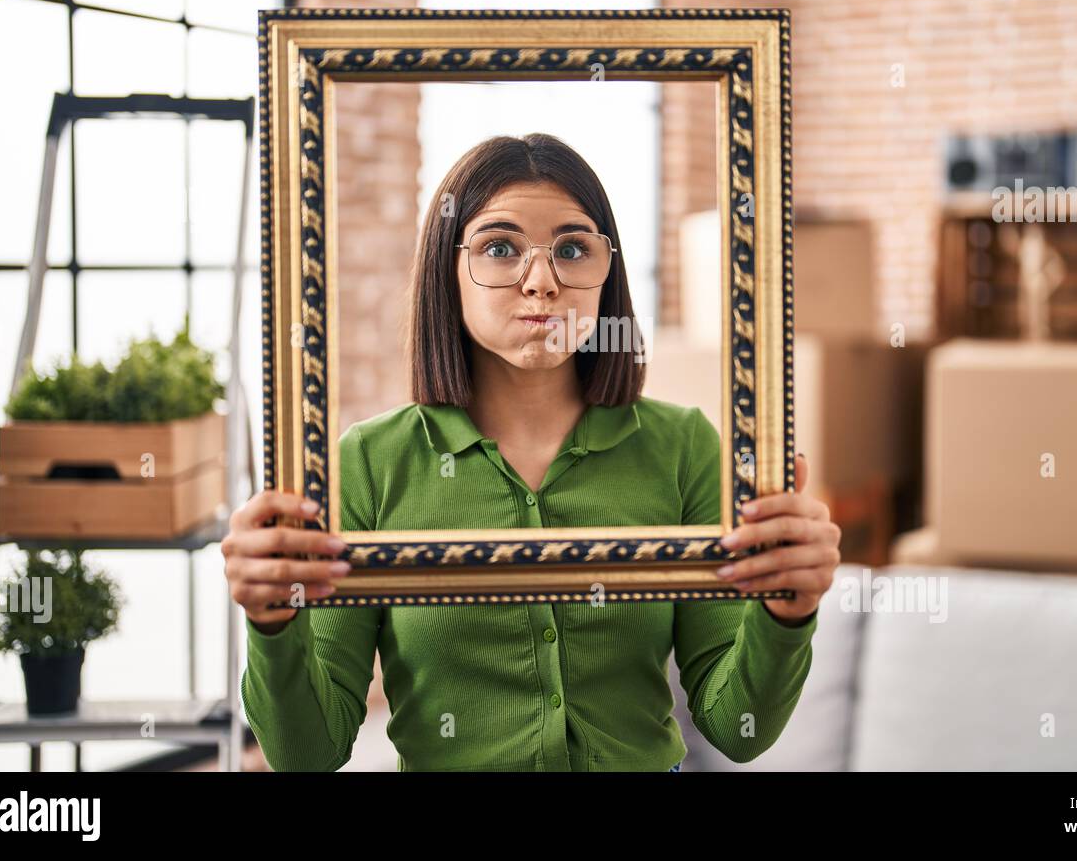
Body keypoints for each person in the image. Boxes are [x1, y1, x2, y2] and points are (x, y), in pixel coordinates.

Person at [225, 132, 842, 772]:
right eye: (500, 249)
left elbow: (739, 729)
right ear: (447, 269)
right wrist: (272, 624)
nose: (542, 282)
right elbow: (309, 754)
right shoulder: (370, 462)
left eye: (572, 249)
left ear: (609, 270)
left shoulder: (683, 447)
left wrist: (786, 610)